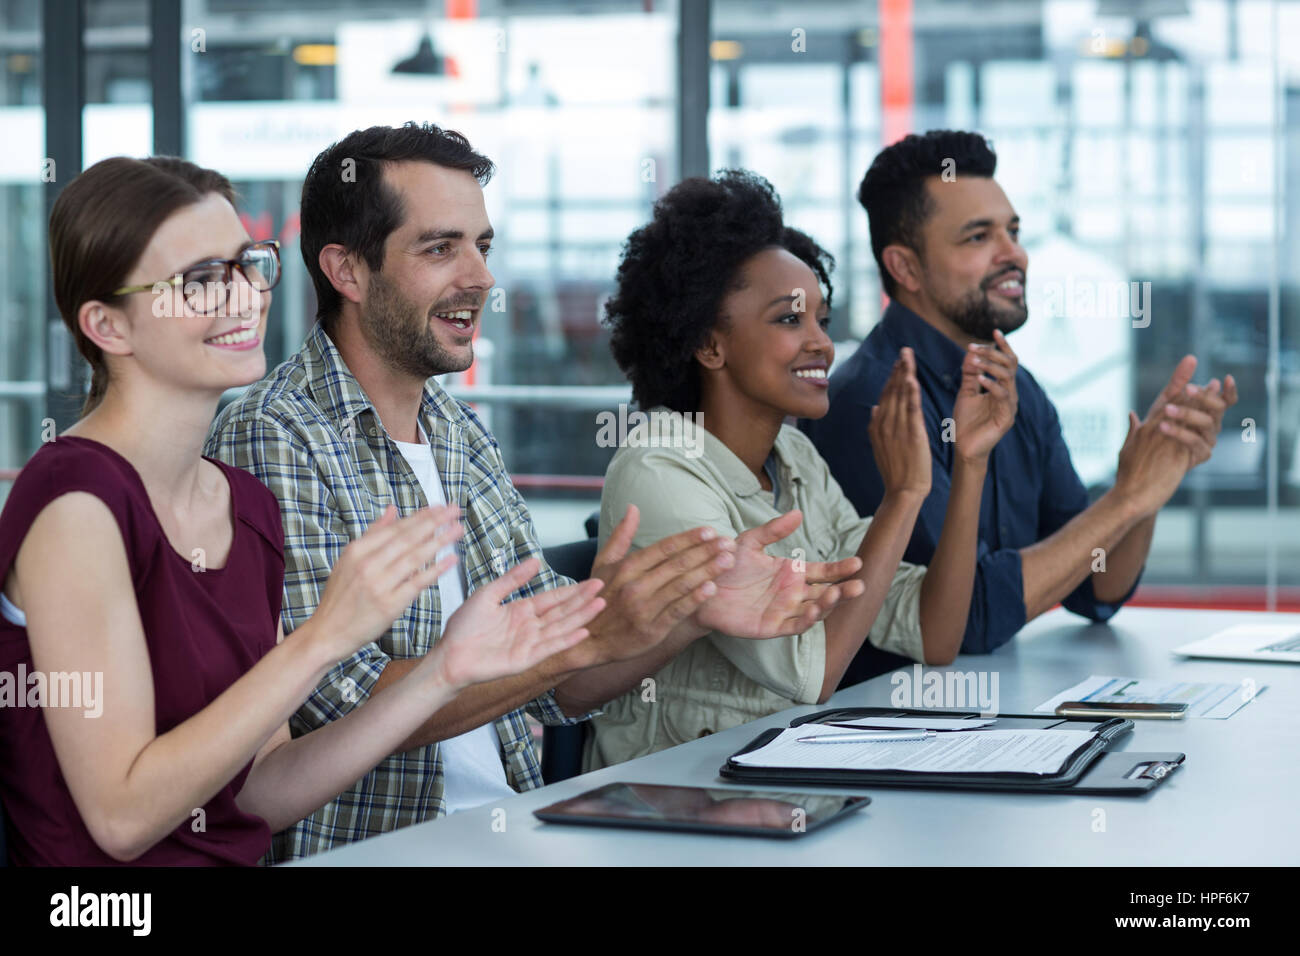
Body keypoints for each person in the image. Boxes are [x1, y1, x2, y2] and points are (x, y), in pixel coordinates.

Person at [205, 123, 860, 861]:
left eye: (482, 247)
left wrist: (687, 615)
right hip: (384, 848)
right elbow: (334, 700)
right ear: (348, 273)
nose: (481, 277)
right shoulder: (276, 433)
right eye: (439, 247)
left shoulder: (460, 433)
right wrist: (566, 651)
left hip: (515, 832)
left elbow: (562, 691)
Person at [0, 155, 606, 866]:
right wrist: (321, 638)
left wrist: (445, 671)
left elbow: (256, 794)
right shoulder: (76, 502)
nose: (244, 297)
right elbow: (122, 818)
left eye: (246, 263)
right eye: (200, 281)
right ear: (108, 325)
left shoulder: (242, 504)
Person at [583, 170, 1017, 770]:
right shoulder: (661, 468)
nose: (822, 343)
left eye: (822, 319)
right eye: (790, 320)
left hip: (774, 786)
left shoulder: (796, 459)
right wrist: (904, 495)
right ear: (710, 345)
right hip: (672, 801)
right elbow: (812, 674)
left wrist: (968, 463)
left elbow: (936, 634)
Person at [803, 130, 1238, 661]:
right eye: (978, 238)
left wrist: (1147, 489)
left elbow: (1093, 587)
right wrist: (1124, 500)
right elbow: (969, 620)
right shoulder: (872, 404)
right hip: (894, 725)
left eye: (1013, 231)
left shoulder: (1015, 386)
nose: (1015, 255)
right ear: (905, 268)